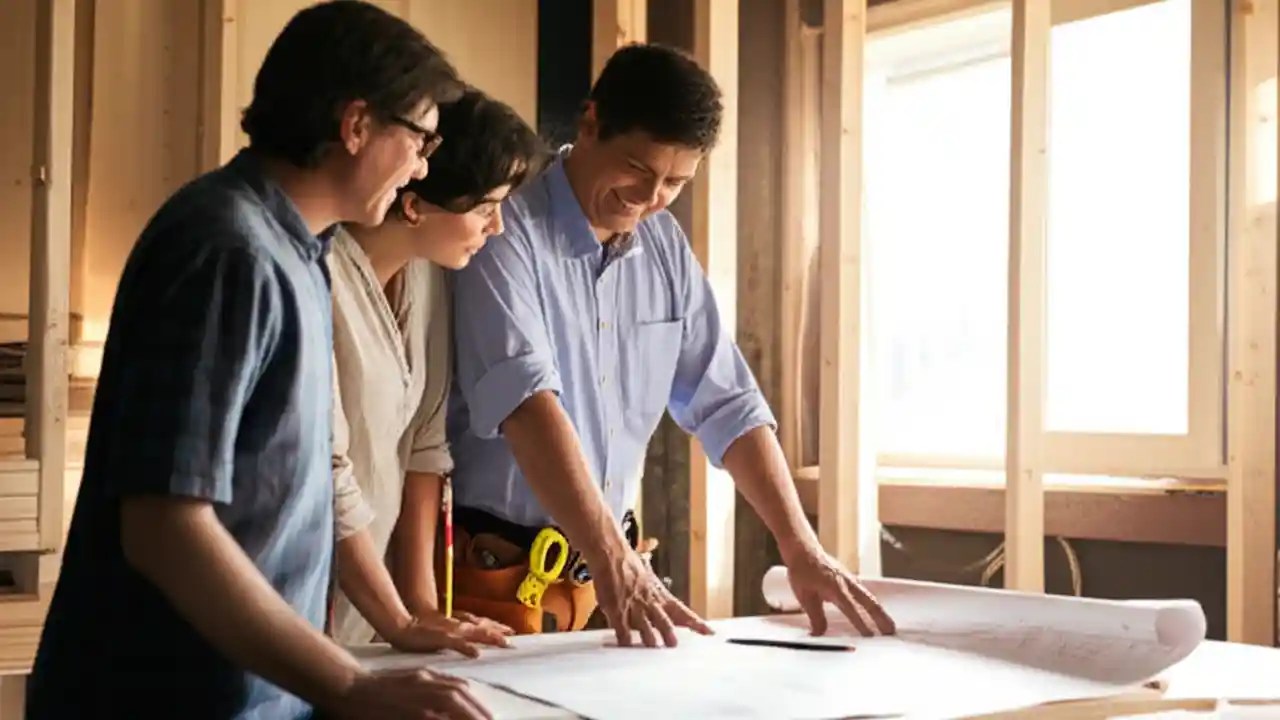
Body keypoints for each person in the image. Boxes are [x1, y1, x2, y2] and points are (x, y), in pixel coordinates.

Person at [28, 3, 490, 719]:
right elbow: (164, 526)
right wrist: (349, 685)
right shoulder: (229, 251)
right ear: (356, 124)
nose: (423, 168)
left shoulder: (301, 254)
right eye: (421, 140)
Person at [446, 43, 898, 646]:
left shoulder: (662, 246)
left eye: (675, 183)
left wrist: (801, 546)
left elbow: (729, 403)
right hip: (498, 579)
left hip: (607, 578)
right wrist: (615, 561)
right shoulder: (505, 229)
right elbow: (526, 403)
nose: (651, 198)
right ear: (590, 123)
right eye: (638, 168)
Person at [330, 88, 546, 653]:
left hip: (373, 613)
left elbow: (425, 446)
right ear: (414, 204)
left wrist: (421, 608)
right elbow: (325, 477)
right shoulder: (319, 278)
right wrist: (400, 621)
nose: (496, 227)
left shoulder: (428, 277)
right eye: (484, 207)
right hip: (299, 599)